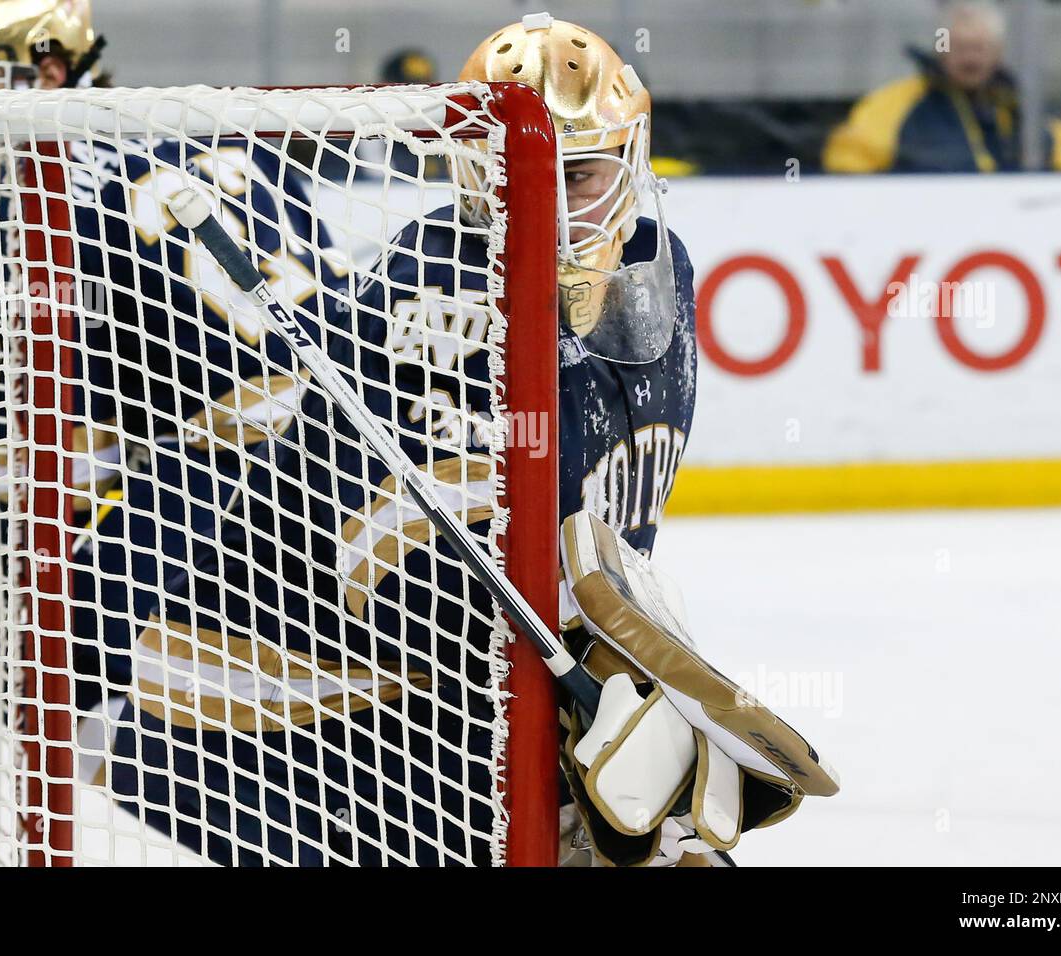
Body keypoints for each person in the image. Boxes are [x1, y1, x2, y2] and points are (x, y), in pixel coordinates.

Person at [109, 12, 703, 866]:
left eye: (581, 173)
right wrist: (589, 690)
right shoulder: (437, 292)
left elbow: (601, 519)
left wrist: (631, 663)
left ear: (631, 155)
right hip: (281, 713)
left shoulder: (660, 268)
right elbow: (390, 566)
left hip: (464, 703)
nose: (553, 204)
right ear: (471, 171)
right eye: (521, 175)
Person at [0, 0, 348, 719]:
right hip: (341, 445)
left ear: (47, 74)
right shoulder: (190, 135)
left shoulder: (60, 205)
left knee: (49, 672)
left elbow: (80, 448)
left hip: (235, 478)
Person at [823, 0, 1061, 174]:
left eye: (979, 48)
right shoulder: (899, 103)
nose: (970, 59)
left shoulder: (1020, 108)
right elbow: (845, 163)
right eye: (960, 48)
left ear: (997, 53)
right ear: (942, 50)